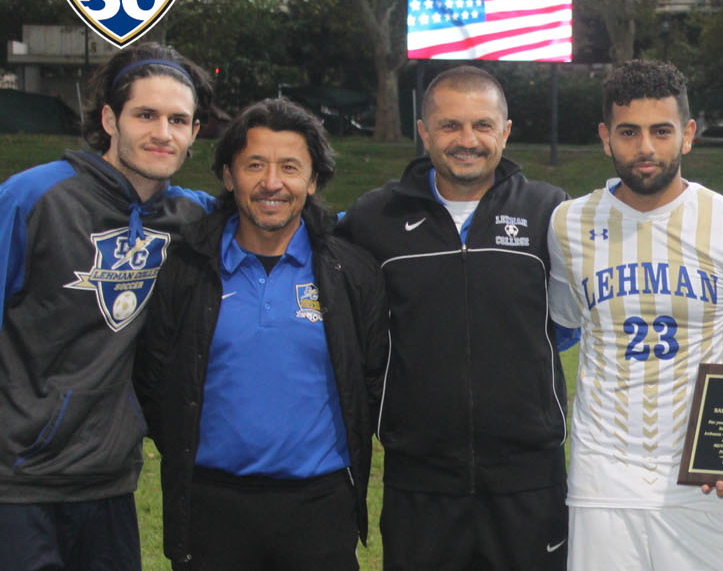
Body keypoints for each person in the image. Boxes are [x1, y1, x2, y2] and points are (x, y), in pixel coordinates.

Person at [135, 98, 389, 570]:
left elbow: (370, 377)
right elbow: (154, 378)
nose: (272, 183)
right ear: (229, 177)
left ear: (312, 181)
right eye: (255, 165)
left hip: (320, 504)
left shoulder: (351, 271)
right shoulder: (187, 269)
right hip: (212, 504)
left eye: (290, 167)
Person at [338, 66, 571, 570]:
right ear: (424, 132)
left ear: (505, 131)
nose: (467, 140)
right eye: (450, 126)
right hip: (419, 480)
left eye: (482, 125)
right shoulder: (372, 219)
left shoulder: (550, 212)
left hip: (528, 479)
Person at [547, 60, 723, 569]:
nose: (645, 148)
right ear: (606, 137)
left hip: (705, 472)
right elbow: (558, 331)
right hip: (602, 471)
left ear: (688, 135)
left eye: (661, 131)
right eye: (629, 132)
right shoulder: (569, 222)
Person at [0, 44, 215, 571]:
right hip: (17, 482)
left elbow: (281, 219)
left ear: (194, 132)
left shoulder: (190, 218)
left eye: (178, 120)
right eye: (146, 115)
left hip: (109, 481)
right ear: (109, 119)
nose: (163, 132)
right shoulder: (33, 198)